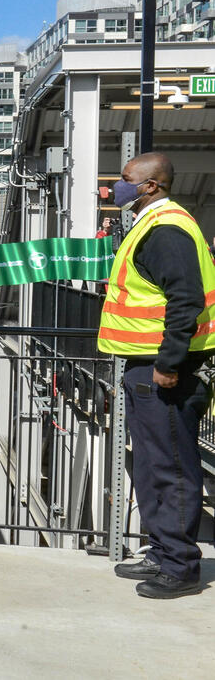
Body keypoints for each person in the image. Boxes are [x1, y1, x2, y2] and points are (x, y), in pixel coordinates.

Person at [99, 152, 215, 599]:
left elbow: (185, 301)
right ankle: (160, 549)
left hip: (162, 369)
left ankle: (180, 566)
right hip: (146, 365)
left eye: (126, 179)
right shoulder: (153, 224)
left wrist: (168, 365)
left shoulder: (166, 229)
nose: (116, 186)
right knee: (150, 463)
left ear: (151, 186)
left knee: (170, 467)